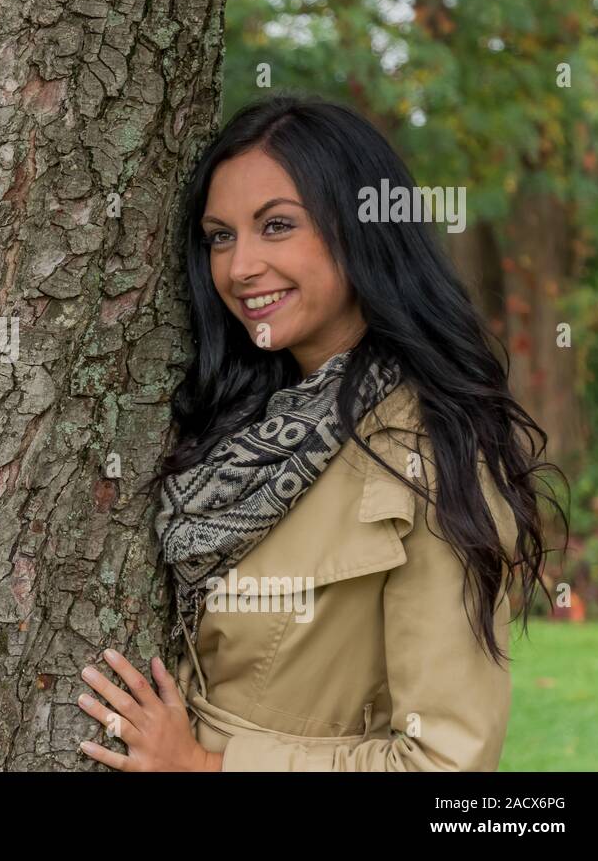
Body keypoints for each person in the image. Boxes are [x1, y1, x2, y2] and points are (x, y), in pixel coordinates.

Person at [77, 94, 564, 771]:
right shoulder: (239, 419)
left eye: (276, 225)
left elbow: (445, 764)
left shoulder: (429, 454)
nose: (239, 266)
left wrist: (205, 768)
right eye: (220, 235)